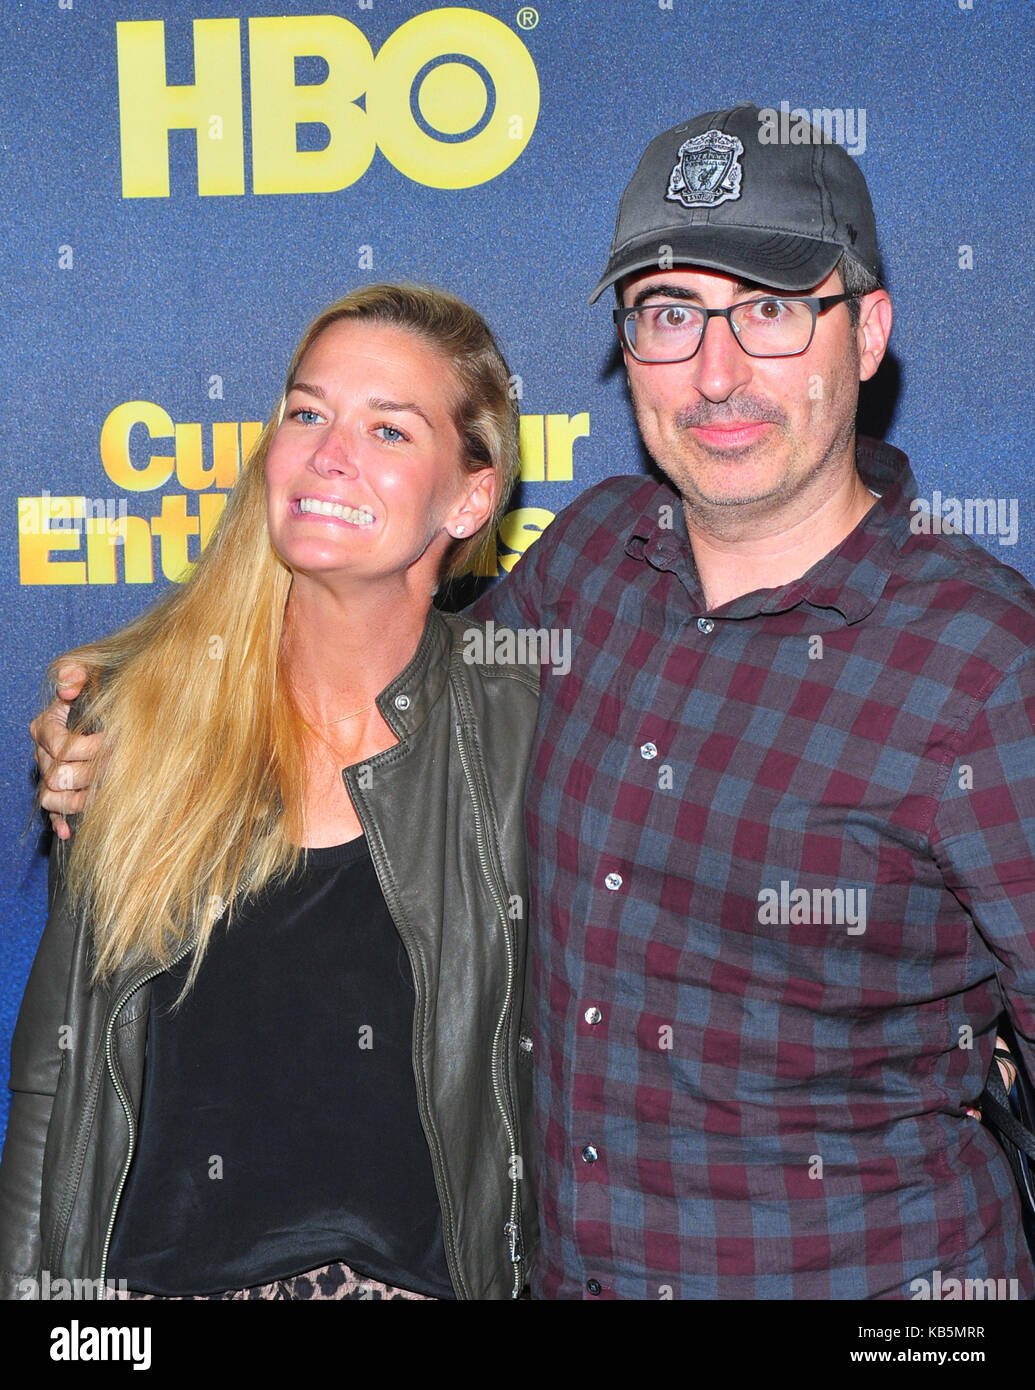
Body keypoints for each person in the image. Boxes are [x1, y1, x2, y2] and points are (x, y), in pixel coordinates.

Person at [30, 105, 1035, 1302]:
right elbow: (359, 670)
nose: (716, 373)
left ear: (865, 332)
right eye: (670, 317)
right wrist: (132, 708)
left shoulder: (986, 660)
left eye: (768, 310)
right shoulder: (590, 564)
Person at [0, 283, 538, 1301]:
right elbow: (55, 1082)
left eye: (388, 428)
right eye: (307, 412)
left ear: (470, 497)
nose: (330, 453)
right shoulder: (130, 721)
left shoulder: (523, 732)